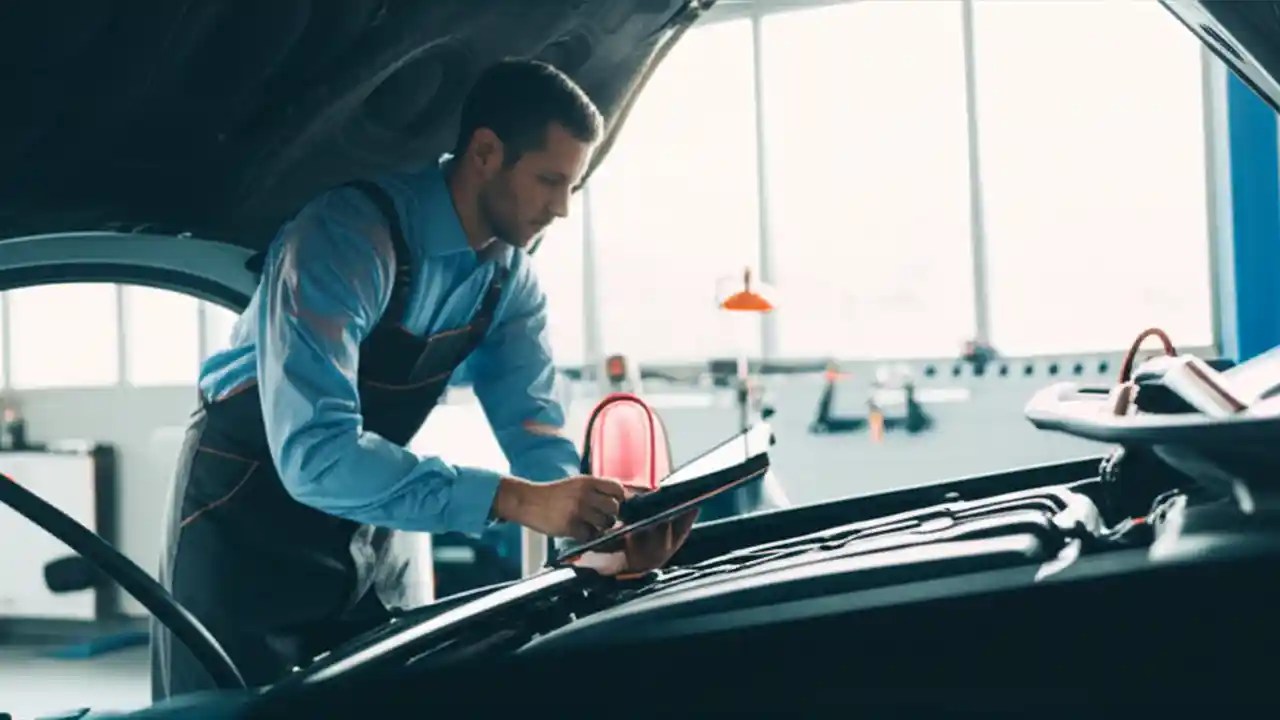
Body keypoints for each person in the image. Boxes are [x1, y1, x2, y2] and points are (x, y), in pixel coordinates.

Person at [151, 59, 694, 700]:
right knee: (228, 711)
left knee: (400, 698)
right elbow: (315, 457)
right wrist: (517, 500)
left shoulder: (507, 280)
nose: (562, 209)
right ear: (487, 153)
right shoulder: (342, 240)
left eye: (571, 186)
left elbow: (537, 433)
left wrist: (598, 528)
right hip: (245, 517)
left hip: (375, 517)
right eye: (550, 180)